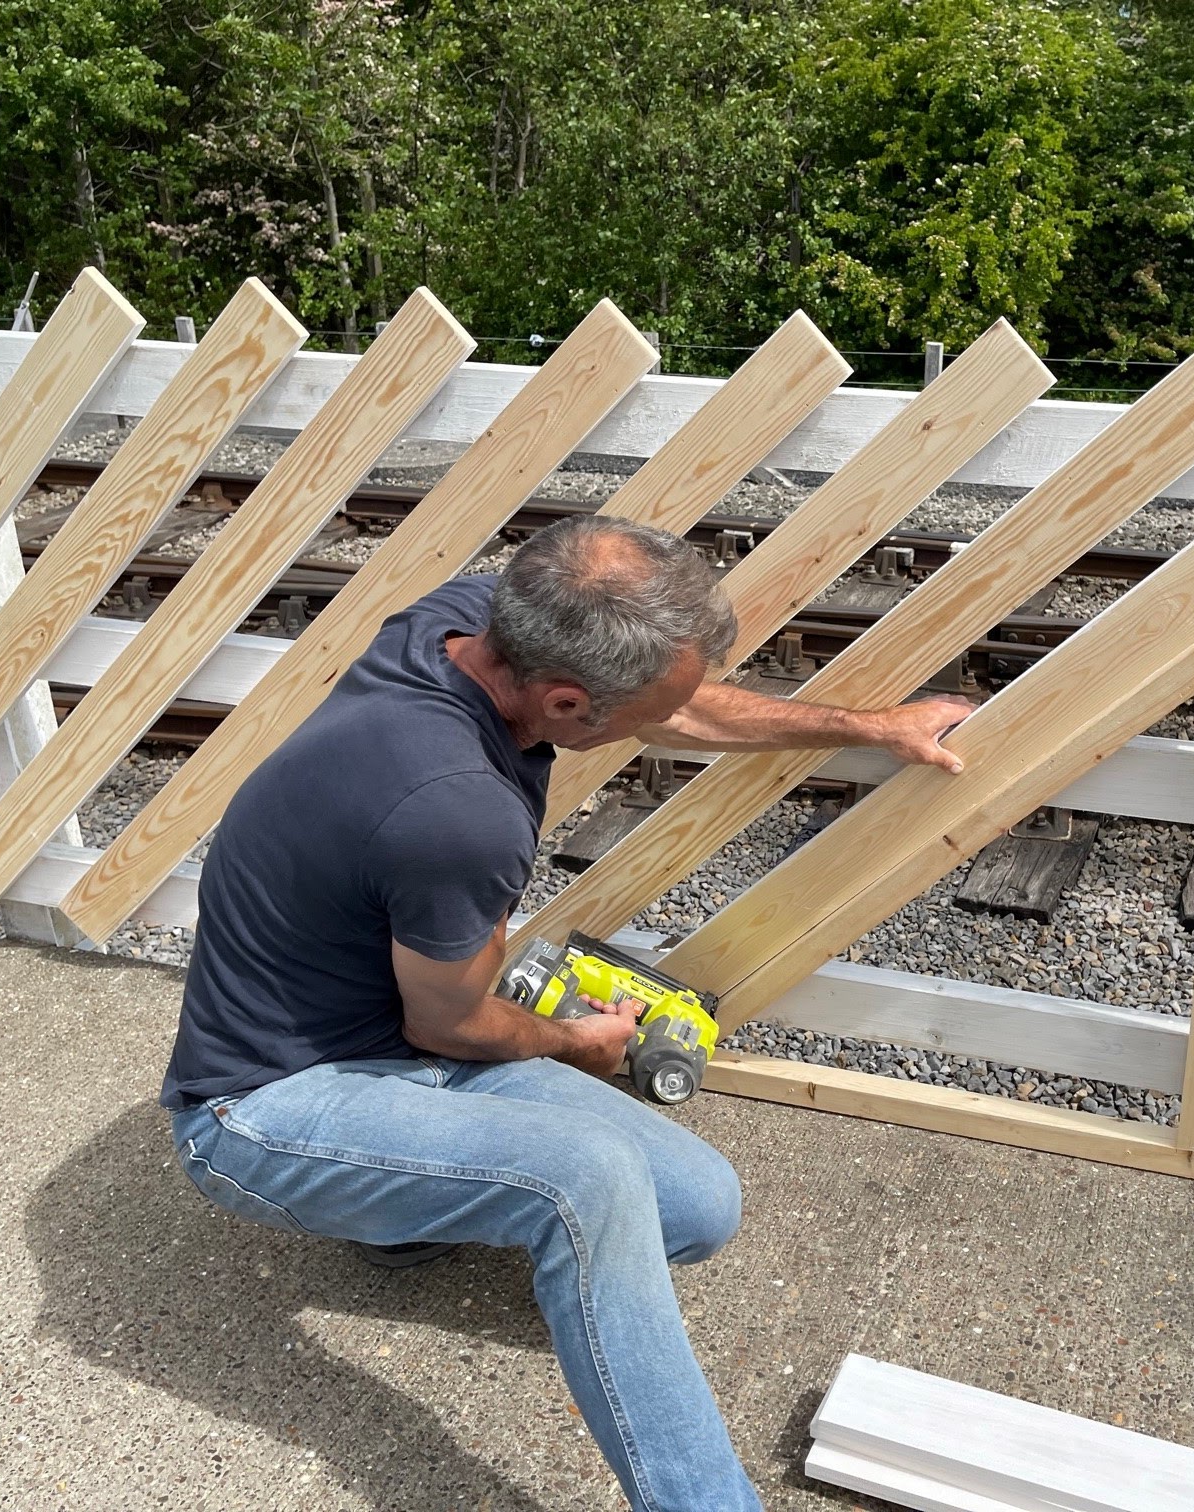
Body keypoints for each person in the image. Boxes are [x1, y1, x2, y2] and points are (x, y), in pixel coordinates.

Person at [159, 513, 971, 1510]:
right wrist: (576, 1046)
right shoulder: (459, 811)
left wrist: (870, 726)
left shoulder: (479, 618)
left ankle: (400, 1209)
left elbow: (677, 709)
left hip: (391, 1029)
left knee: (698, 1207)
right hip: (263, 1107)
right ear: (565, 701)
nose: (653, 726)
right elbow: (449, 1028)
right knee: (585, 1181)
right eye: (628, 718)